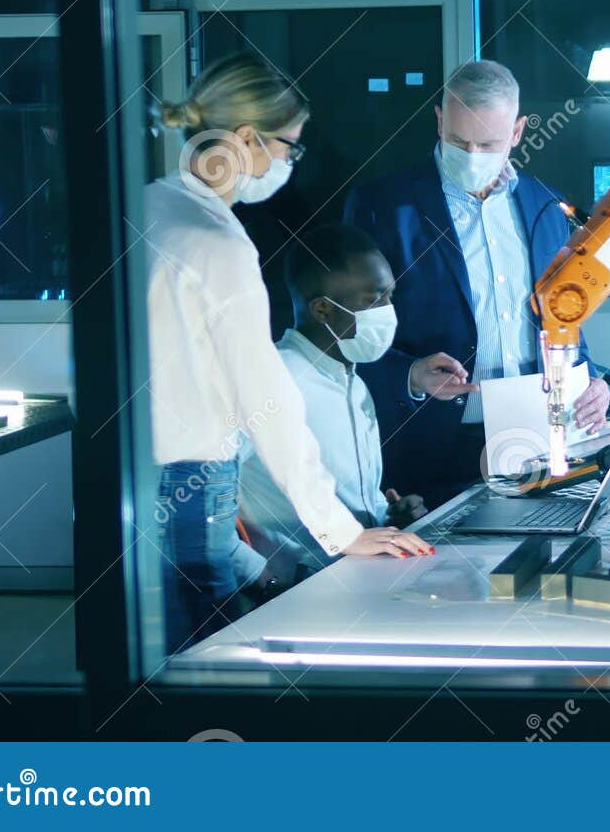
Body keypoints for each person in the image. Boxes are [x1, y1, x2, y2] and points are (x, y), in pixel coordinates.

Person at [147, 53, 430, 653]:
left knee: (158, 659)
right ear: (247, 139)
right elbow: (265, 399)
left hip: (126, 478)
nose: (290, 163)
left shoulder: (146, 210)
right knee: (205, 660)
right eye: (289, 147)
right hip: (193, 484)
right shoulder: (218, 244)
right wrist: (341, 533)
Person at [344, 60, 610, 505]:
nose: (470, 155)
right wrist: (408, 374)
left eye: (487, 144)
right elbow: (342, 335)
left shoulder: (546, 208)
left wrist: (594, 382)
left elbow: (565, 321)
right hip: (427, 452)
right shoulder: (382, 207)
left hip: (538, 446)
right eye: (457, 140)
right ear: (438, 120)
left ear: (519, 131)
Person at [234, 224, 433, 586]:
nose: (389, 312)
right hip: (298, 593)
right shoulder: (269, 379)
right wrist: (257, 578)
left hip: (367, 580)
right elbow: (199, 495)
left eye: (390, 296)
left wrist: (389, 519)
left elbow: (350, 503)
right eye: (374, 300)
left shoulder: (355, 384)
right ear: (323, 309)